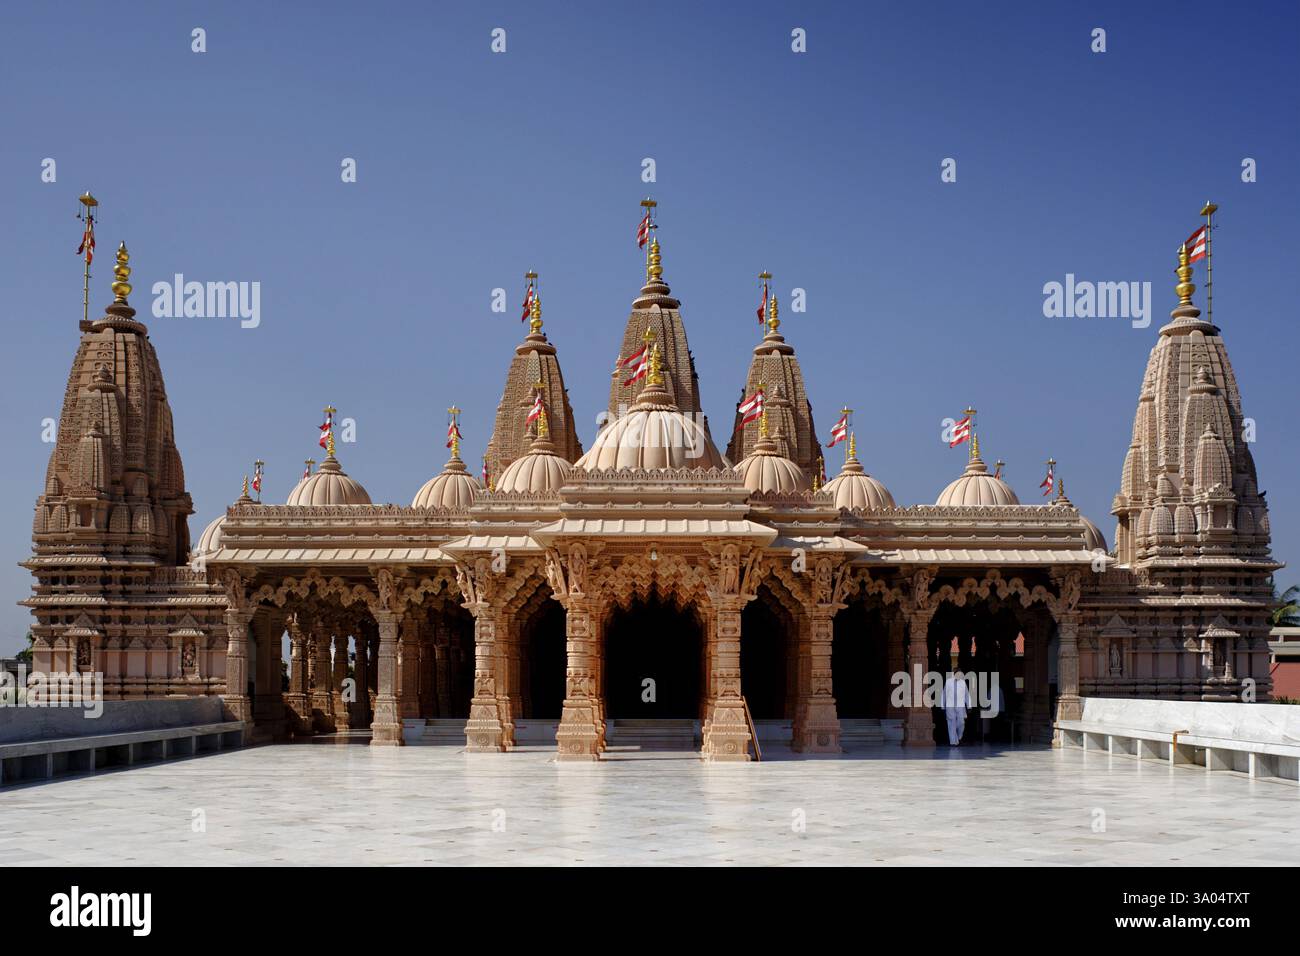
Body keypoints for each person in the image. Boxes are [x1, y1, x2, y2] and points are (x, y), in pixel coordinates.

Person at [942, 670, 970, 746]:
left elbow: (967, 695)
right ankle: (953, 742)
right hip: (950, 706)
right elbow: (944, 694)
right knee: (951, 723)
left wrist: (969, 706)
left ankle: (959, 737)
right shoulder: (948, 682)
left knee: (961, 722)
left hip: (960, 705)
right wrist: (942, 705)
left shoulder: (963, 682)